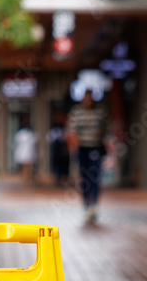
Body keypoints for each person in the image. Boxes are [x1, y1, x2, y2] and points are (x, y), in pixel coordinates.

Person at [67, 90, 109, 224]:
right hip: (82, 148)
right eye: (86, 98)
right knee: (84, 177)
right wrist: (76, 142)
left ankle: (94, 205)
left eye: (90, 98)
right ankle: (86, 205)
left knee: (95, 176)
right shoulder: (76, 112)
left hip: (95, 147)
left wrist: (101, 136)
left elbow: (106, 128)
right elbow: (71, 130)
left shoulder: (100, 112)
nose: (88, 101)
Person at [47, 112, 71, 187]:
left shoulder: (66, 129)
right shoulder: (54, 130)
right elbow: (49, 139)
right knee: (56, 166)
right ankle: (57, 180)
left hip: (64, 152)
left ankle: (64, 180)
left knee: (65, 166)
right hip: (56, 152)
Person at [13, 117, 37, 185]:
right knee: (25, 167)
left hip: (27, 153)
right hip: (25, 153)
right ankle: (25, 178)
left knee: (27, 167)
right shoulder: (27, 134)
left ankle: (26, 178)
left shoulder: (27, 134)